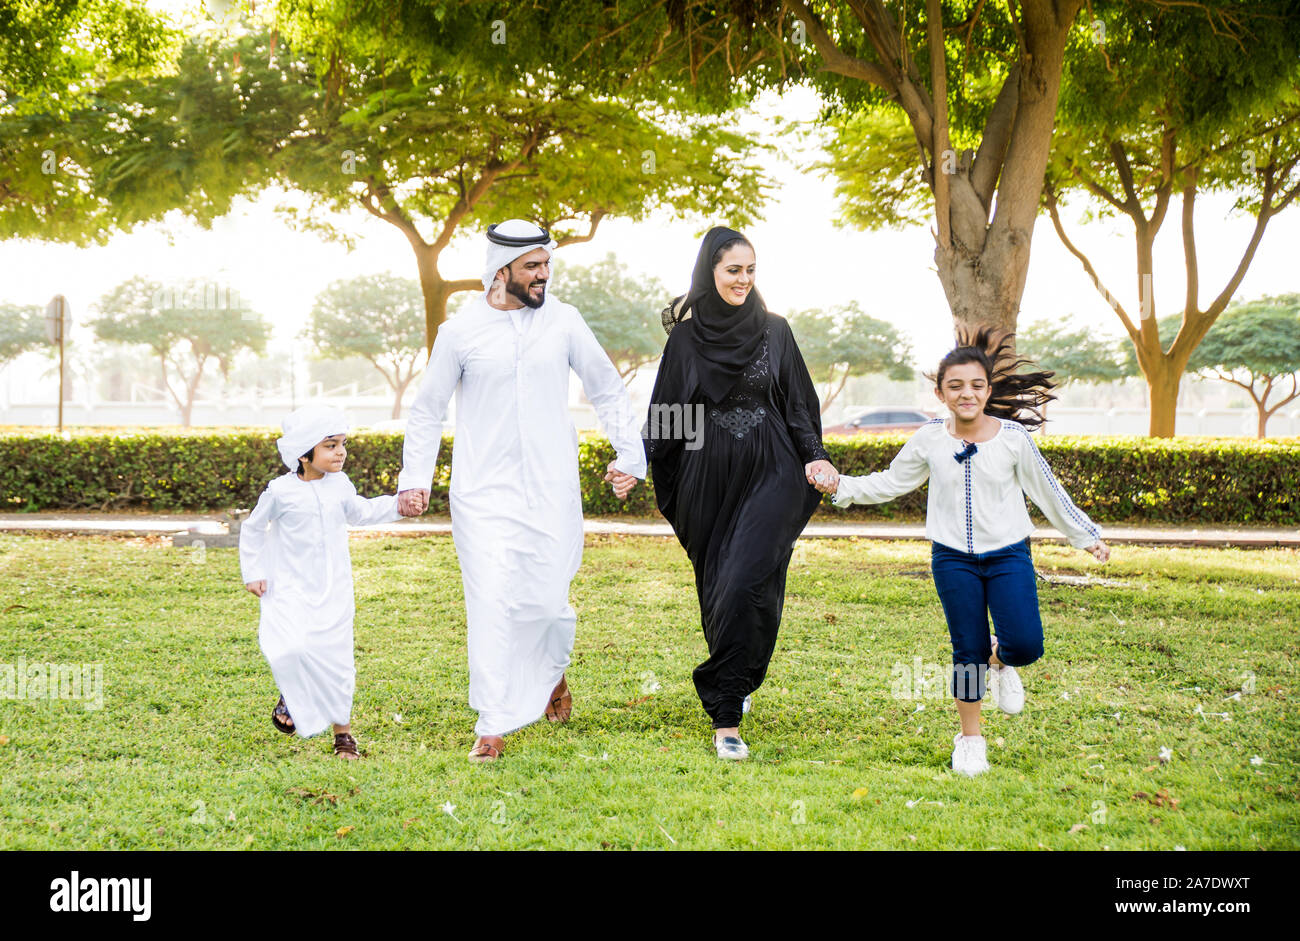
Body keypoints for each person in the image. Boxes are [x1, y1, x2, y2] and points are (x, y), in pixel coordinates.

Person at [396, 219, 645, 763]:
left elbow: (606, 388)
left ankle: (551, 672)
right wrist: (415, 479)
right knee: (490, 600)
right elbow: (428, 409)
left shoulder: (565, 321)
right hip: (481, 494)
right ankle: (491, 722)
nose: (544, 276)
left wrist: (630, 457)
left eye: (547, 265)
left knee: (546, 604)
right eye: (533, 267)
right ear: (499, 270)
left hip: (552, 490)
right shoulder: (459, 332)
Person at [821, 328, 1111, 776]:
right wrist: (842, 487)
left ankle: (1001, 660)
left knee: (1026, 644)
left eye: (976, 384)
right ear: (940, 392)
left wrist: (1085, 534)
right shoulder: (930, 438)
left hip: (1009, 554)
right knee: (965, 650)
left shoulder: (1013, 437)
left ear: (988, 389)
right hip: (952, 558)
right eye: (955, 386)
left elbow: (1048, 491)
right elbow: (891, 482)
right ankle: (970, 738)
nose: (966, 393)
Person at [645, 226, 838, 761]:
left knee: (746, 576)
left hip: (772, 471)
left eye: (751, 270)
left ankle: (726, 712)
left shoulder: (776, 331)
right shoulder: (685, 339)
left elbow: (798, 404)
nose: (744, 280)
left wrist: (814, 454)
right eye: (734, 270)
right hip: (706, 481)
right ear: (710, 270)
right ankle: (739, 670)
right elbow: (670, 413)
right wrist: (641, 463)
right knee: (721, 586)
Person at [239, 404, 404, 759]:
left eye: (343, 443)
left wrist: (398, 505)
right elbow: (253, 529)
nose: (341, 452)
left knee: (337, 660)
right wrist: (253, 571)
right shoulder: (280, 491)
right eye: (330, 445)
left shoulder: (340, 485)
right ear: (304, 453)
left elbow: (360, 512)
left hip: (334, 589)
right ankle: (294, 693)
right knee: (289, 648)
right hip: (289, 587)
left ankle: (343, 736)